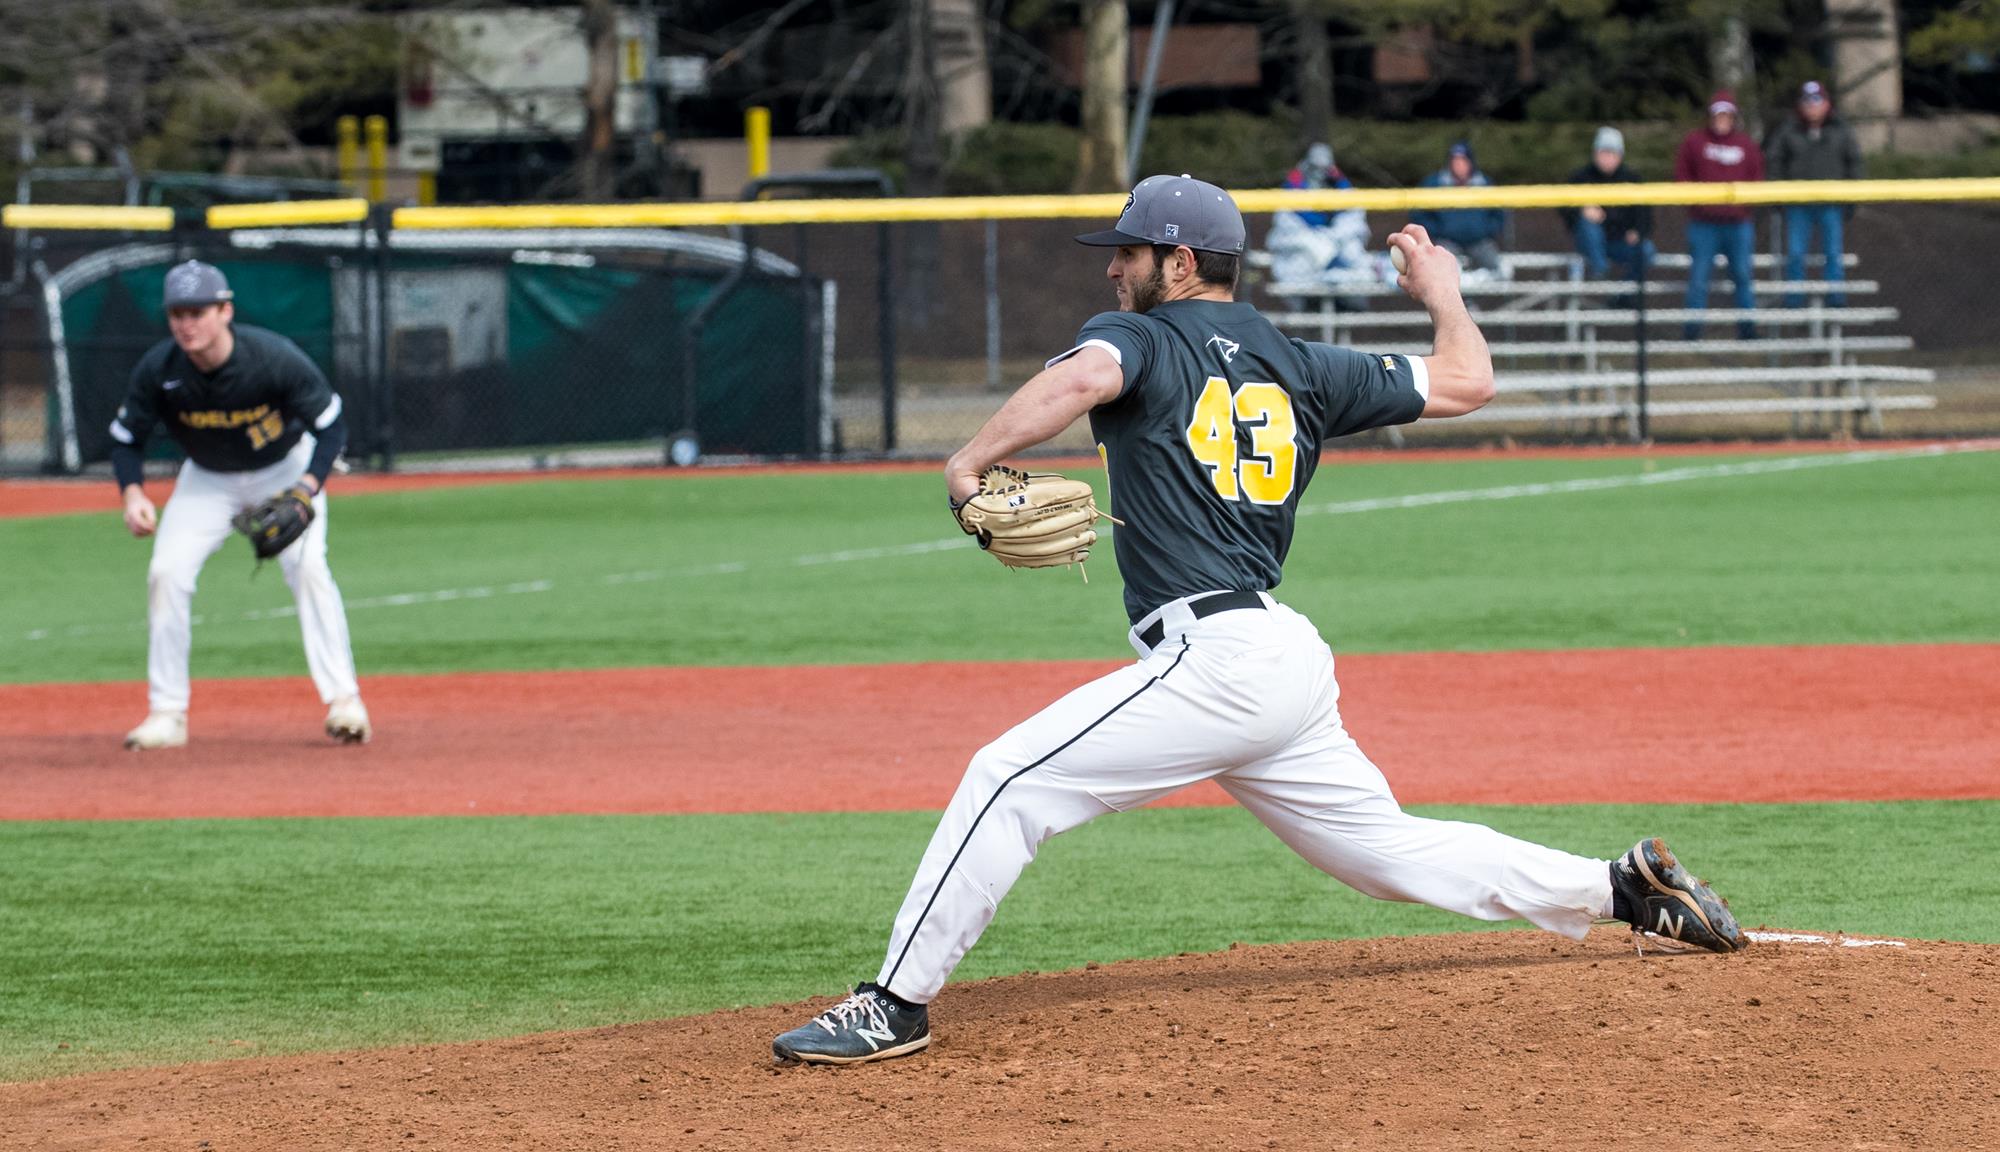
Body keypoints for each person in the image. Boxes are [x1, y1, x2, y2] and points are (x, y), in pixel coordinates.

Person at [770, 175, 1747, 1066]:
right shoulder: (1301, 361)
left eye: (1126, 252)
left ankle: (893, 1002)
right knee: (1383, 854)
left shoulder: (1145, 338)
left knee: (1007, 778)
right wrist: (1441, 292)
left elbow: (1079, 380)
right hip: (1278, 660)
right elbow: (1466, 384)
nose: (1113, 268)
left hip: (1216, 659)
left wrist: (966, 464)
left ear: (1179, 263)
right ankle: (1618, 889)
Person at [113, 260, 371, 750]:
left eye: (198, 311)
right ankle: (168, 713)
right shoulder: (159, 370)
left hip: (283, 472)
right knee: (166, 572)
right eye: (177, 314)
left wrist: (307, 488)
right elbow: (126, 440)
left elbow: (332, 426)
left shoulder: (272, 358)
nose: (187, 324)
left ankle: (345, 701)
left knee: (309, 567)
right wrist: (133, 493)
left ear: (225, 310)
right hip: (207, 480)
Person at [1674, 91, 1765, 339]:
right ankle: (1692, 330)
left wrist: (1743, 207)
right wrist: (1696, 205)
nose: (1722, 119)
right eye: (1718, 114)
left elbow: (1757, 179)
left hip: (1737, 223)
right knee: (1699, 277)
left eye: (1727, 114)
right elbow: (1682, 176)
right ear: (1711, 116)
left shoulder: (1746, 145)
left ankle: (1747, 328)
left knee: (1743, 275)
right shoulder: (1695, 142)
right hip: (1704, 224)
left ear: (1734, 117)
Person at [1765, 80, 1863, 307]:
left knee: (1832, 252)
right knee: (1796, 253)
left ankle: (1835, 297)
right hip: (1798, 203)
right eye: (1807, 101)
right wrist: (1778, 196)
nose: (1812, 106)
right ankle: (1794, 298)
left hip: (1830, 203)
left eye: (1817, 100)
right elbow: (1774, 162)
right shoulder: (1788, 130)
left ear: (1827, 103)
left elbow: (1854, 165)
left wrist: (1852, 199)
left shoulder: (1841, 129)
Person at [1267, 142, 1384, 293]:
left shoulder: (1341, 187)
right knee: (1311, 251)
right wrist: (1316, 240)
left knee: (1352, 251)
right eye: (1315, 168)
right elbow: (1282, 234)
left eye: (1324, 169)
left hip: (1340, 254)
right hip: (1302, 262)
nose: (1319, 174)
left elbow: (1355, 223)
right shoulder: (1291, 190)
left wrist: (1332, 237)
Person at [1560, 126, 1655, 307]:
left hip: (1620, 242)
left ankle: (1623, 295)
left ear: (1620, 155)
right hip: (1591, 244)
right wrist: (1582, 210)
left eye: (1612, 153)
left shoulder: (1632, 179)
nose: (1607, 158)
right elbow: (1562, 206)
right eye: (1603, 152)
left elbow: (1645, 214)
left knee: (1647, 250)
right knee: (1589, 226)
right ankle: (1601, 274)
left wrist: (1637, 231)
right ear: (1595, 153)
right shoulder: (1580, 177)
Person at [1410, 141, 1506, 277]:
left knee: (1499, 271)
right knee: (1441, 271)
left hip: (1480, 243)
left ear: (1470, 162)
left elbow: (1499, 213)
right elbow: (1419, 213)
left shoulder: (1484, 183)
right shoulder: (1435, 183)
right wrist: (1438, 232)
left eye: (1463, 161)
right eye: (1455, 161)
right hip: (1447, 243)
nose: (1459, 165)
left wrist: (1486, 231)